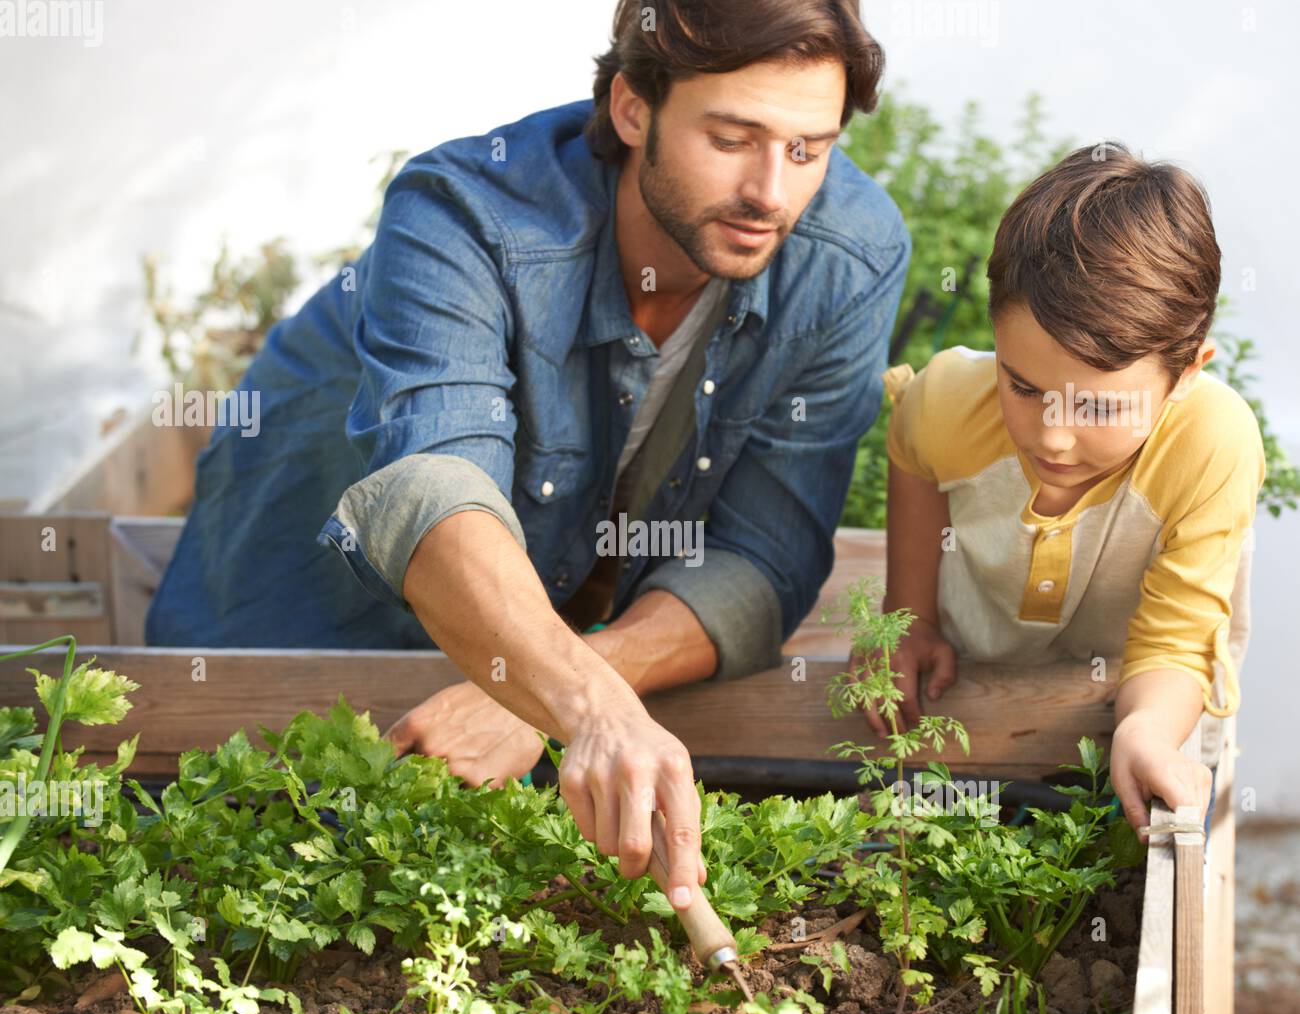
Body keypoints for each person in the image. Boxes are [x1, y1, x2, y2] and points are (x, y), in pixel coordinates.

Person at [146, 0, 911, 910]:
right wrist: (576, 703)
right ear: (634, 109)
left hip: (536, 635)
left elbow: (766, 552)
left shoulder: (849, 255)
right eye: (732, 137)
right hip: (312, 596)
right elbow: (435, 491)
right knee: (231, 861)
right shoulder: (463, 214)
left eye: (807, 150)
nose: (771, 193)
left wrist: (561, 684)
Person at [869, 143, 1264, 836]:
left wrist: (1143, 729)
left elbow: (1174, 645)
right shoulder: (947, 404)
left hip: (1140, 682)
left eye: (1101, 408)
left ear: (1186, 373)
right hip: (977, 664)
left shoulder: (1212, 443)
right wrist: (910, 615)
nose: (1054, 437)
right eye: (1023, 386)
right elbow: (911, 449)